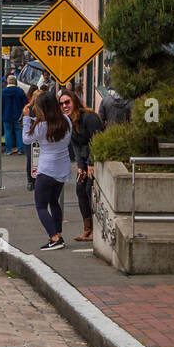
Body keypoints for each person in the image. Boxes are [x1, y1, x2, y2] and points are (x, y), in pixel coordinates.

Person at [23, 89, 71, 250]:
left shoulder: (41, 126)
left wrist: (26, 119)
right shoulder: (66, 120)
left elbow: (26, 139)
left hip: (46, 168)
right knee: (54, 202)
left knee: (41, 205)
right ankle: (58, 233)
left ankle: (54, 237)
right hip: (63, 167)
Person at [62, 87, 103, 242]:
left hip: (97, 158)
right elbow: (75, 146)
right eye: (62, 104)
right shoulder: (69, 122)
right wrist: (81, 166)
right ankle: (87, 229)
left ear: (75, 102)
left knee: (89, 190)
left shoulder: (89, 117)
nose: (65, 106)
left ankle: (96, 229)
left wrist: (92, 163)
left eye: (67, 102)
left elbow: (97, 139)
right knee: (80, 189)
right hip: (84, 161)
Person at [0, 74, 27, 154]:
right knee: (18, 131)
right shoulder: (20, 91)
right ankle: (20, 149)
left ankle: (8, 149)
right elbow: (25, 103)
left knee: (8, 132)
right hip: (18, 114)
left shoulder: (3, 92)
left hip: (6, 114)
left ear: (7, 82)